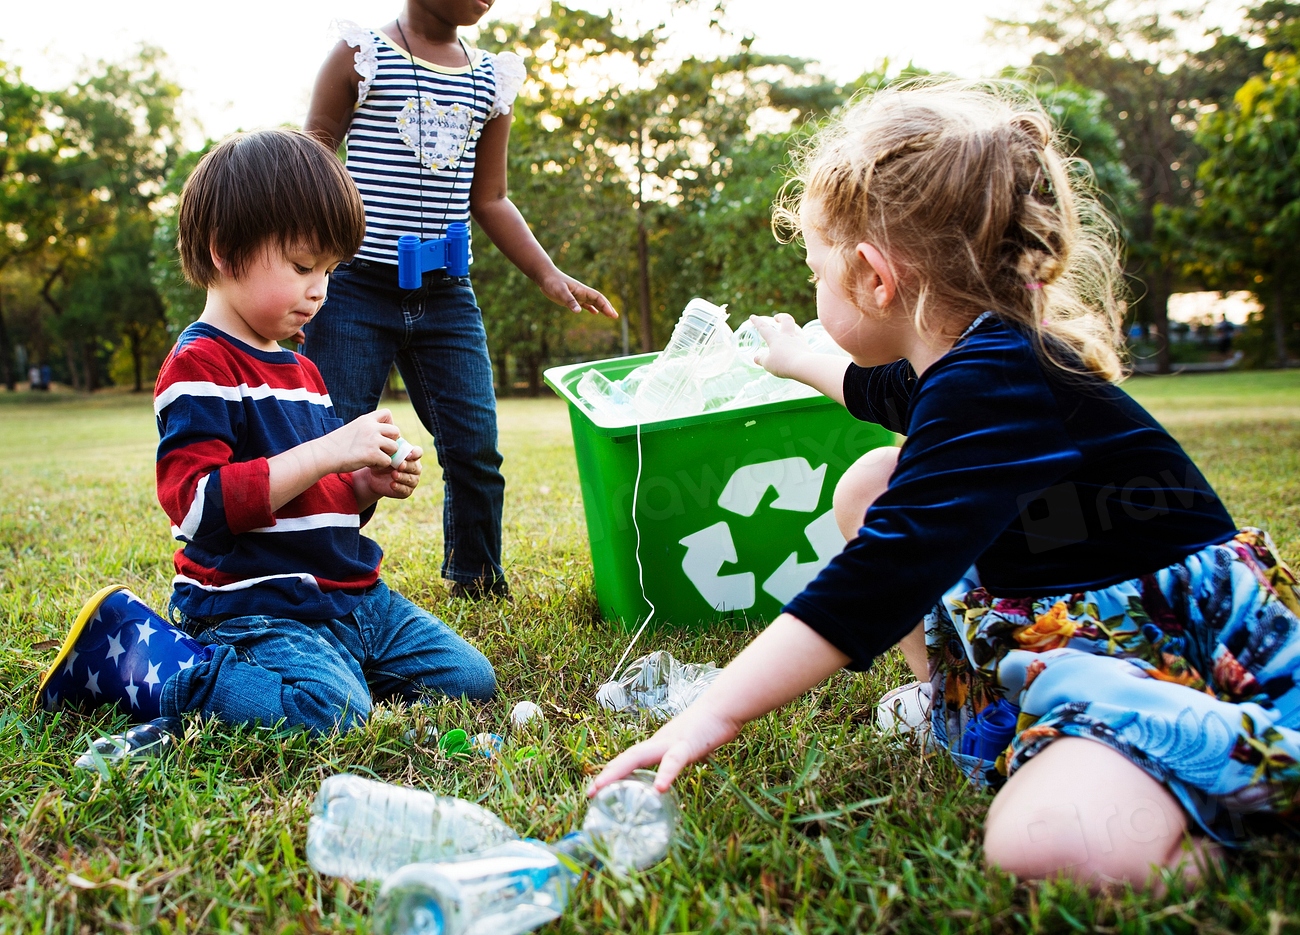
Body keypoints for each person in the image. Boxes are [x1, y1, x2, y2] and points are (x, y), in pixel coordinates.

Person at [590, 80, 1300, 889]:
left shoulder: (994, 378)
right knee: (870, 481)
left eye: (816, 272)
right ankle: (959, 705)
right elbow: (873, 390)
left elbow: (884, 574)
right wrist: (795, 360)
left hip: (1166, 644)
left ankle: (1227, 828)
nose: (814, 295)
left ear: (873, 278)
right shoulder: (965, 356)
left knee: (1040, 845)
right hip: (1066, 614)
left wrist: (713, 709)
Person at [38, 129, 496, 738]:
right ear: (226, 251)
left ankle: (331, 668)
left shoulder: (303, 371)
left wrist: (364, 485)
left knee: (469, 680)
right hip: (256, 606)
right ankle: (163, 668)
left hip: (349, 598)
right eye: (304, 266)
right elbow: (198, 509)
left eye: (331, 271)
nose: (320, 290)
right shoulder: (199, 366)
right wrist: (326, 451)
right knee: (332, 715)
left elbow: (313, 501)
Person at [303, 0, 617, 600]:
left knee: (475, 448)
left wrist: (548, 273)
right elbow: (308, 170)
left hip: (448, 296)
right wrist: (302, 279)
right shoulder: (360, 54)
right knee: (336, 444)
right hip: (356, 289)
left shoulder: (492, 76)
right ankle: (328, 577)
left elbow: (492, 196)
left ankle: (477, 580)